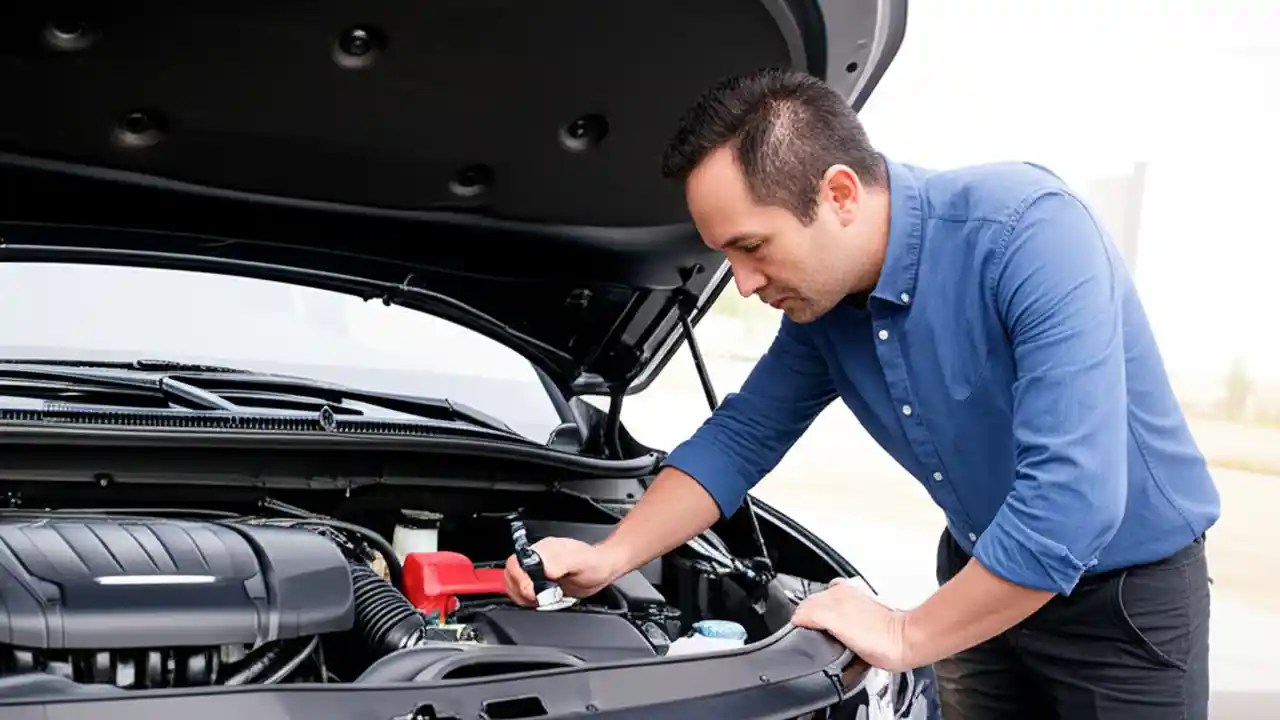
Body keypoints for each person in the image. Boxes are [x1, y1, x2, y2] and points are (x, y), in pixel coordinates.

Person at [502, 68, 1220, 719]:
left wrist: (907, 632)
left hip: (1123, 608)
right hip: (979, 585)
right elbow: (740, 437)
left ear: (839, 193)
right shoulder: (827, 304)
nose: (744, 284)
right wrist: (612, 554)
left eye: (752, 248)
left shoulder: (1027, 233)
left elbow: (1071, 503)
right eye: (725, 257)